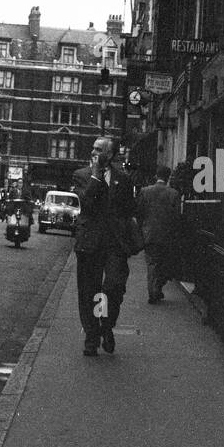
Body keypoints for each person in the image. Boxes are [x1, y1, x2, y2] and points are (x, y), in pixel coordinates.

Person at [73, 137, 137, 356]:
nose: (93, 151)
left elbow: (129, 210)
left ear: (110, 155)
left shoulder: (124, 179)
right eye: (92, 147)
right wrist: (96, 175)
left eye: (98, 149)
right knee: (89, 292)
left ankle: (106, 326)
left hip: (114, 244)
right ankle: (92, 337)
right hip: (90, 243)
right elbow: (87, 202)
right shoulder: (82, 176)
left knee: (113, 288)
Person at [136, 165, 183, 304]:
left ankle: (153, 291)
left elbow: (139, 212)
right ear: (168, 177)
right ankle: (157, 289)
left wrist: (142, 228)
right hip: (167, 235)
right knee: (163, 264)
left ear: (156, 176)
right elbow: (176, 217)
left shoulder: (145, 191)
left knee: (152, 264)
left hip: (149, 234)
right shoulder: (174, 194)